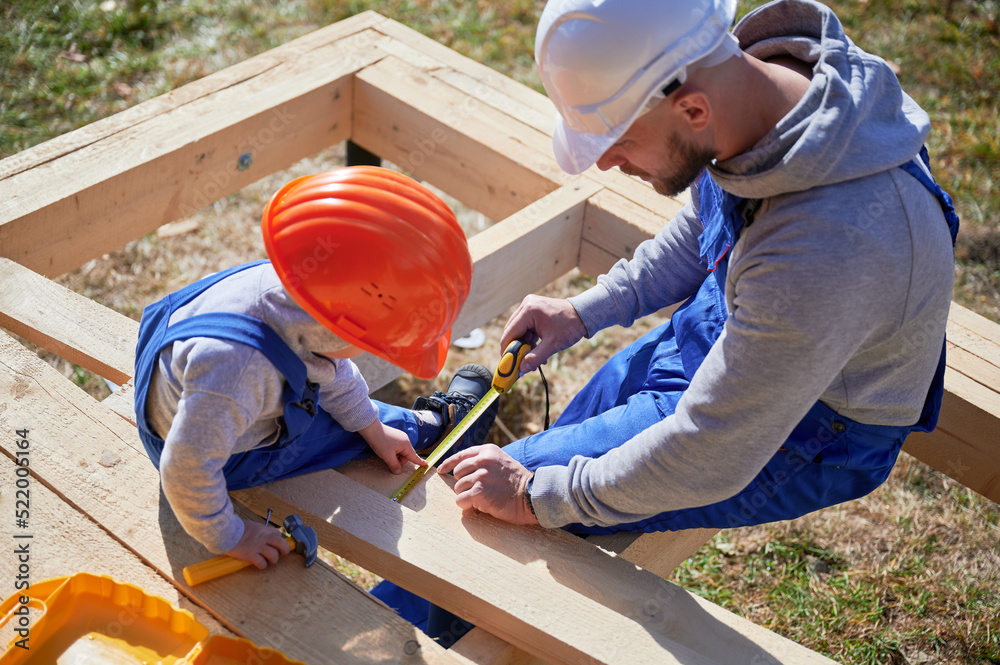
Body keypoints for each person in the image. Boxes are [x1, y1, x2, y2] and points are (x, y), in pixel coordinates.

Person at [441, 0, 960, 535]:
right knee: (552, 454)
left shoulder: (827, 246)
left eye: (617, 141)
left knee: (483, 502)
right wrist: (583, 312)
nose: (604, 162)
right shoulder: (752, 102)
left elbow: (711, 447)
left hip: (804, 429)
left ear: (692, 111)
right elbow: (706, 225)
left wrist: (536, 496)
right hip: (736, 333)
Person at [133, 165, 498, 568]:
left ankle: (394, 428)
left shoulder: (298, 284)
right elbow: (186, 471)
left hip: (175, 390)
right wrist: (231, 535)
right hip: (200, 450)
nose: (364, 353)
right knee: (322, 428)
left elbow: (333, 373)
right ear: (341, 331)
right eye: (367, 344)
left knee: (346, 411)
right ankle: (433, 428)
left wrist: (374, 431)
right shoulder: (241, 374)